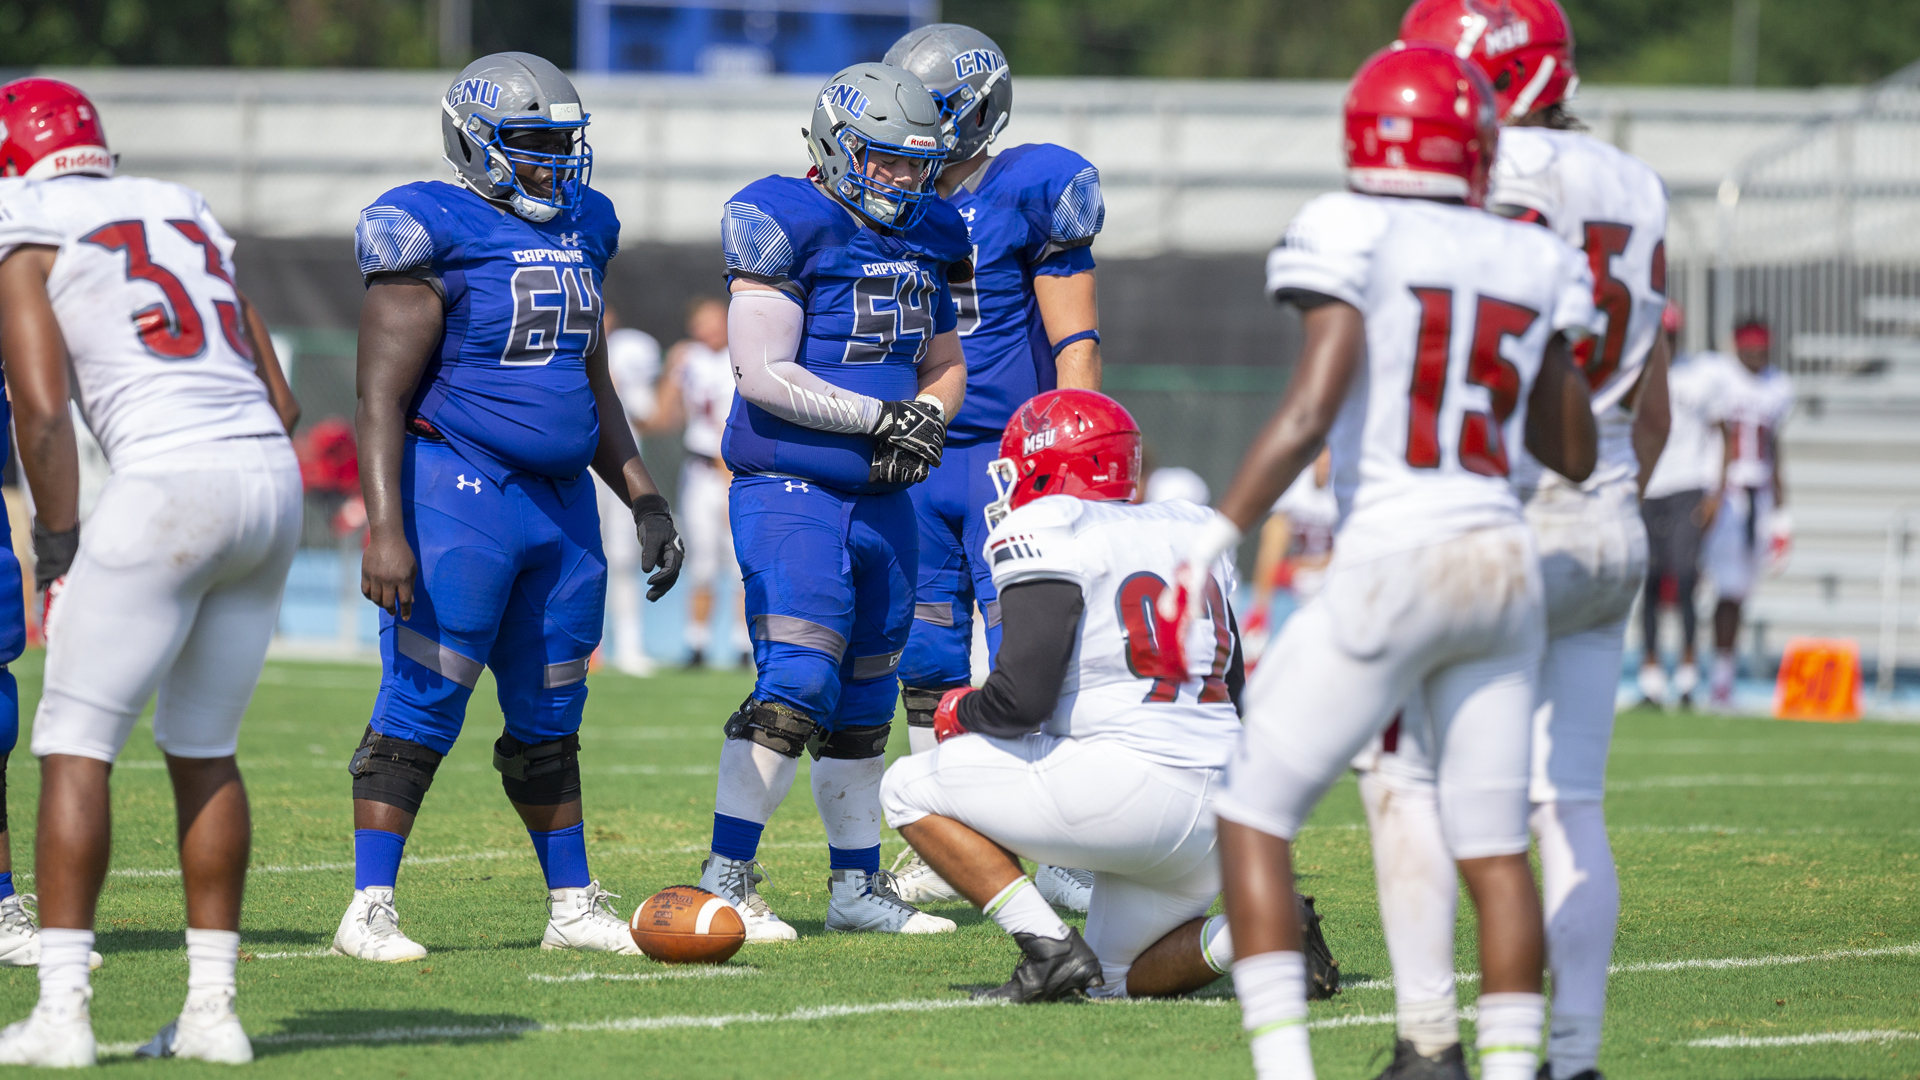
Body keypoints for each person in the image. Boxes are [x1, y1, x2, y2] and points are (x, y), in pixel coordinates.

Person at [1162, 42, 1599, 1080]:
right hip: (1501, 560)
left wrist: (1218, 530)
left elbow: (1314, 406)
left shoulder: (1348, 224)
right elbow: (1573, 451)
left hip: (1397, 551)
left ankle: (1285, 1071)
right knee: (1494, 846)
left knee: (1252, 810)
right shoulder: (1533, 252)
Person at [1343, 4, 1673, 1077]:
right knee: (1566, 799)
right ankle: (1569, 1058)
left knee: (1409, 777)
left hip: (1504, 506)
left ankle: (1430, 1039)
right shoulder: (1636, 180)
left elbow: (1501, 349)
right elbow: (1651, 395)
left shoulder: (1504, 170)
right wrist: (1614, 492)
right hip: (1610, 505)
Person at [334, 53, 683, 965]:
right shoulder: (428, 227)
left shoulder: (585, 225)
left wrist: (641, 493)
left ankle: (570, 902)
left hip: (563, 508)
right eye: (530, 145)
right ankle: (369, 905)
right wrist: (384, 527)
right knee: (422, 704)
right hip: (460, 491)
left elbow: (589, 375)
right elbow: (377, 397)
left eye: (561, 145)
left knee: (552, 714)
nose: (551, 164)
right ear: (477, 142)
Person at [0, 76, 302, 1065]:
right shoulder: (181, 205)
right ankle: (214, 1014)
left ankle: (62, 1014)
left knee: (75, 744)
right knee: (203, 746)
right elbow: (284, 399)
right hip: (269, 478)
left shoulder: (25, 218)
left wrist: (56, 548)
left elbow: (39, 411)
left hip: (169, 483)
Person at [696, 62, 969, 940]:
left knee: (864, 700)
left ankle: (855, 889)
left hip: (884, 499)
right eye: (881, 160)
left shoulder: (935, 229)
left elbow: (945, 363)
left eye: (913, 163)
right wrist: (884, 416)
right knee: (799, 679)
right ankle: (727, 876)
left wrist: (926, 415)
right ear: (834, 145)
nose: (900, 178)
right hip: (791, 488)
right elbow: (763, 374)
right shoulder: (784, 216)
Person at [881, 390, 1247, 1000]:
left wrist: (959, 709)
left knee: (905, 788)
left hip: (1131, 791)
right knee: (1114, 981)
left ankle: (1046, 948)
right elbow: (1236, 690)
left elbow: (1021, 699)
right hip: (1228, 805)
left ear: (1053, 464)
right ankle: (1259, 931)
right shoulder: (1188, 525)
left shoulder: (1051, 527)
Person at [880, 24, 1107, 914]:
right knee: (927, 656)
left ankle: (1059, 841)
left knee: (1028, 652)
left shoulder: (1030, 185)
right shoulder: (884, 193)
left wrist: (1076, 465)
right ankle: (953, 837)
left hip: (1006, 459)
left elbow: (1076, 346)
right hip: (917, 450)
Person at [650, 296, 750, 669]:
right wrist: (669, 374)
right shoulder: (688, 359)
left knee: (742, 562)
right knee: (703, 561)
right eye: (701, 322)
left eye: (714, 321)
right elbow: (662, 418)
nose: (707, 330)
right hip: (700, 470)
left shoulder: (742, 354)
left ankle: (744, 646)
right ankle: (697, 644)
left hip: (736, 469)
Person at [1702, 317, 1793, 708]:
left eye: (1763, 346)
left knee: (1738, 592)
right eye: (1750, 346)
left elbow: (1775, 447)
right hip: (1724, 495)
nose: (1757, 354)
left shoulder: (1779, 386)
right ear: (1735, 346)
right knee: (1716, 587)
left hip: (1759, 497)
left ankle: (1722, 681)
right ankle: (1698, 676)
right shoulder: (1717, 375)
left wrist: (1783, 512)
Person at [1638, 303, 1723, 708]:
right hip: (1650, 486)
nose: (1668, 342)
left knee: (1686, 577)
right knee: (1651, 581)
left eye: (1672, 335)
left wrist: (1714, 491)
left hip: (1688, 484)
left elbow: (1720, 433)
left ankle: (1689, 674)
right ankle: (1651, 676)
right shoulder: (1639, 372)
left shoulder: (1701, 376)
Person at [595, 307, 664, 676]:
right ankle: (585, 646)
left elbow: (647, 415)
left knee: (623, 557)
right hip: (568, 461)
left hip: (619, 467)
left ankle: (628, 643)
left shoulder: (630, 349)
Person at [1243, 448, 1336, 664]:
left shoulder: (1349, 485)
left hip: (1335, 574)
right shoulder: (1297, 483)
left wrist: (1306, 564)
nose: (1326, 465)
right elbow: (1274, 533)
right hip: (1301, 578)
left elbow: (1351, 549)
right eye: (1322, 458)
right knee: (1274, 530)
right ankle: (1259, 617)